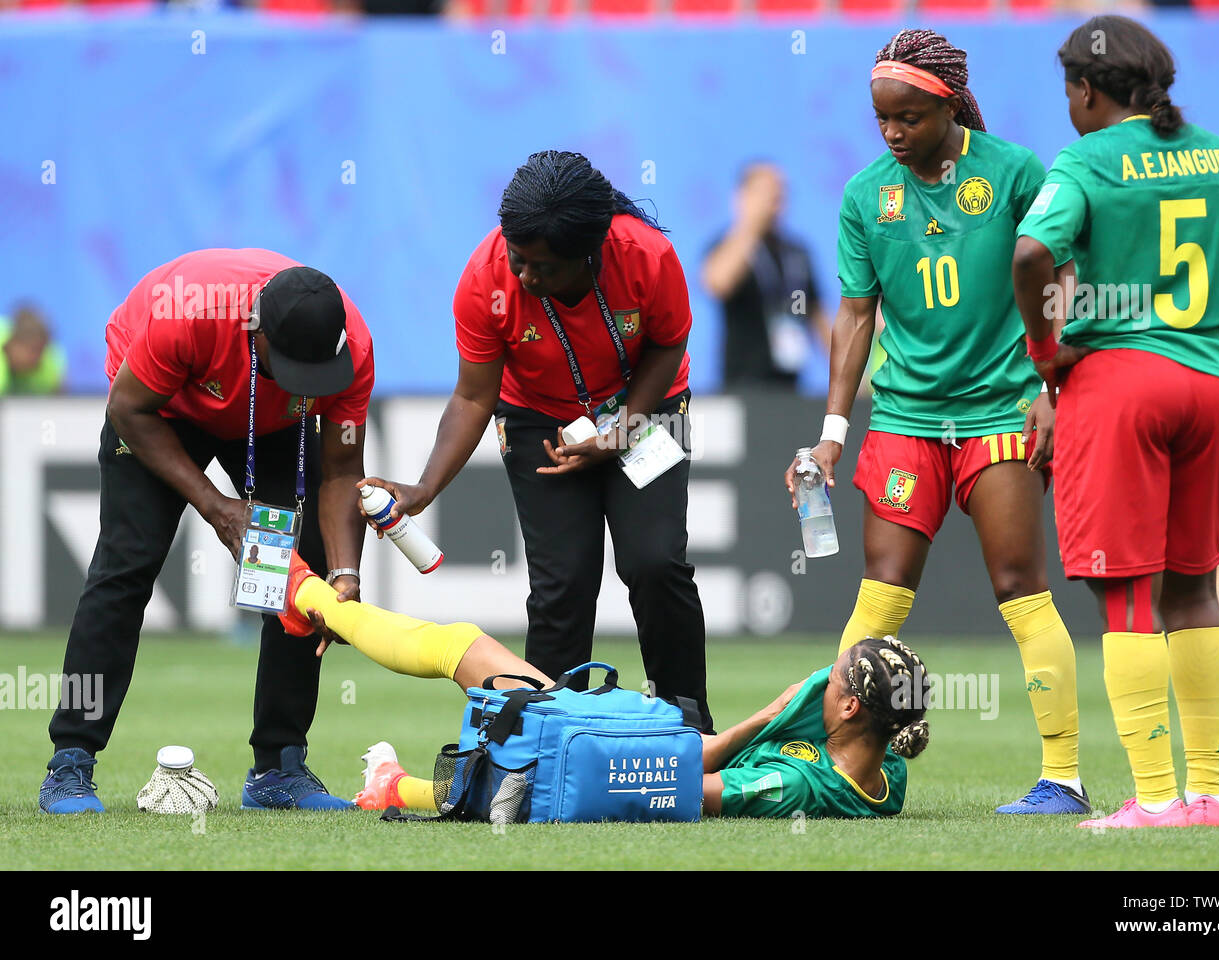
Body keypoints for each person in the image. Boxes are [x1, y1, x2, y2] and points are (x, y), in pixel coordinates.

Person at [785, 28, 1089, 815]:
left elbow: (1063, 276)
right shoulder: (864, 196)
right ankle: (839, 763)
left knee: (1020, 585)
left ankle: (1064, 777)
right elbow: (856, 316)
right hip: (906, 418)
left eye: (908, 118)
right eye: (881, 119)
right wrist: (832, 430)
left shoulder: (1016, 172)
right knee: (880, 593)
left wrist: (1055, 385)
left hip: (1000, 409)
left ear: (947, 104)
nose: (893, 134)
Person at [1013, 16, 1219, 829]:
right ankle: (1207, 794)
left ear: (1085, 89)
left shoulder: (1085, 161)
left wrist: (1046, 351)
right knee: (1195, 587)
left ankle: (1153, 798)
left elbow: (1033, 254)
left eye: (1068, 89)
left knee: (1127, 593)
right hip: (1208, 383)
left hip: (1118, 386)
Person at [362, 150, 713, 731]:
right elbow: (474, 396)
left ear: (590, 253)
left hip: (647, 414)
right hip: (537, 421)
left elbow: (668, 345)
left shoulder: (647, 255)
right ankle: (547, 735)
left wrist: (620, 429)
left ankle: (689, 727)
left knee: (654, 564)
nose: (526, 276)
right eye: (518, 257)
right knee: (563, 583)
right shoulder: (484, 277)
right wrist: (425, 487)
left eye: (544, 267)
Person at [40, 249, 375, 814]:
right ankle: (70, 760)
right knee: (127, 565)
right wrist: (219, 508)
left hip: (272, 423)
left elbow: (342, 472)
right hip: (158, 408)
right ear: (256, 331)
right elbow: (128, 409)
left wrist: (345, 575)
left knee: (303, 573)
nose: (310, 381)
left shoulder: (352, 345)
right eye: (293, 367)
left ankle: (278, 767)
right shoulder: (187, 316)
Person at [277, 552, 928, 819]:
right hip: (649, 730)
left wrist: (764, 716)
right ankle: (394, 788)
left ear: (847, 706)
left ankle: (310, 596)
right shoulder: (885, 772)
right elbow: (883, 740)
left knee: (464, 653)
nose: (813, 689)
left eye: (831, 682)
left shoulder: (791, 785)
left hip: (638, 747)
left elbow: (678, 781)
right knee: (473, 664)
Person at [702, 162, 832, 389]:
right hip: (741, 384)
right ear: (742, 196)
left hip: (790, 386)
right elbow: (718, 283)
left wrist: (850, 377)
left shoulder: (797, 253)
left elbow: (818, 318)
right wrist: (751, 224)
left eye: (780, 193)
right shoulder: (726, 245)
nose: (774, 200)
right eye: (765, 192)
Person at [0, 303, 66, 395]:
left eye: (41, 352)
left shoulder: (49, 366)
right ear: (14, 343)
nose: (38, 359)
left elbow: (61, 403)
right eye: (33, 351)